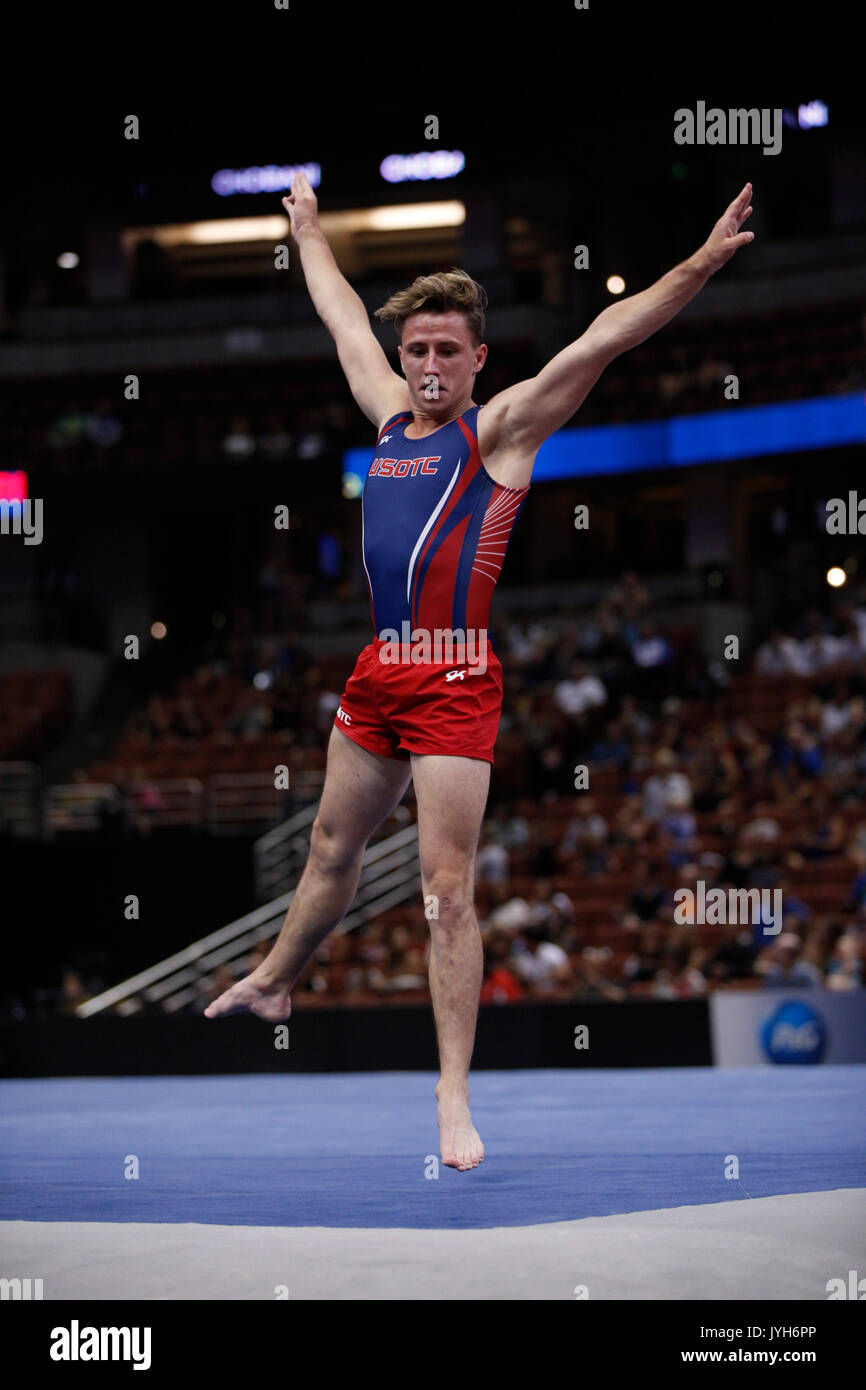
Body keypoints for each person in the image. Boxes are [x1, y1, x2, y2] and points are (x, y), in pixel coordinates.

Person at [205, 169, 756, 1171]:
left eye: (443, 350)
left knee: (443, 893)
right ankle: (276, 979)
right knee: (327, 850)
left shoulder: (497, 430)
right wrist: (310, 233)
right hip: (379, 670)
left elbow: (607, 333)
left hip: (455, 673)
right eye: (413, 347)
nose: (423, 363)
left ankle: (451, 1091)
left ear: (475, 360)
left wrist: (702, 261)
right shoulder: (383, 421)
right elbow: (337, 318)